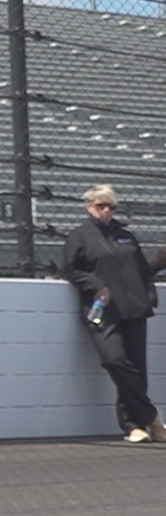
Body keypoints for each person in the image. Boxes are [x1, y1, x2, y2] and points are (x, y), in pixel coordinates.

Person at [61, 184, 165, 443]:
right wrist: (96, 286)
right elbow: (70, 270)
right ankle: (151, 417)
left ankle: (133, 426)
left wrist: (162, 258)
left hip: (134, 307)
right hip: (103, 311)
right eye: (100, 205)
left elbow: (142, 270)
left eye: (111, 206)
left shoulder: (125, 236)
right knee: (114, 360)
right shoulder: (80, 236)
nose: (106, 210)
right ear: (89, 207)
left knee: (137, 368)